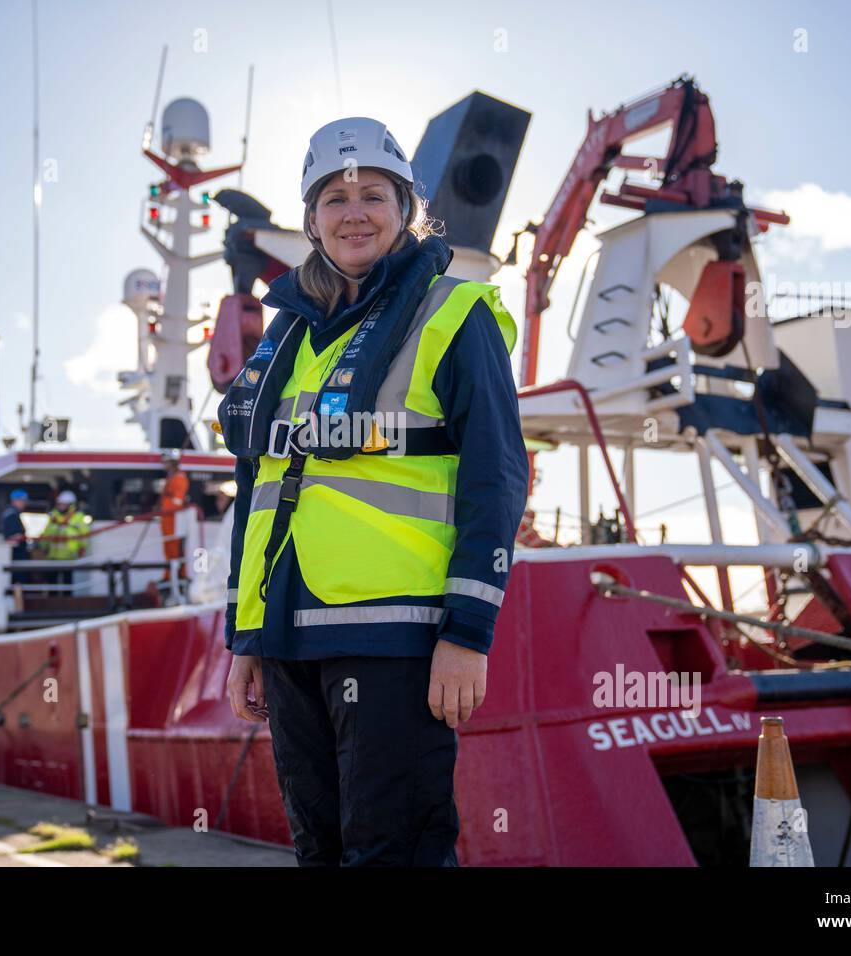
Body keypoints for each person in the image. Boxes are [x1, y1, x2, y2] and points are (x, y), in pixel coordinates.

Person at [216, 116, 527, 866]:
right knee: (318, 851)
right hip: (289, 638)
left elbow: (497, 477)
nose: (354, 211)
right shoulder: (285, 338)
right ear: (311, 220)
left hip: (392, 639)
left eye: (375, 195)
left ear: (407, 208)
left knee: (394, 852)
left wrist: (466, 634)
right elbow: (260, 488)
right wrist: (245, 638)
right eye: (335, 197)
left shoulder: (456, 314)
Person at [40, 490, 89, 594]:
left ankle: (67, 603)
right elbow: (46, 533)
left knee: (68, 584)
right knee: (52, 584)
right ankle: (52, 604)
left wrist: (83, 548)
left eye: (63, 504)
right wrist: (44, 547)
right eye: (59, 504)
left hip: (69, 555)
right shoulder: (53, 516)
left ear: (70, 505)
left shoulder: (78, 517)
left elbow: (84, 535)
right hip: (53, 555)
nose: (60, 506)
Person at [159, 450, 191, 587]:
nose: (164, 464)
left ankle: (178, 575)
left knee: (174, 549)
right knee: (168, 548)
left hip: (173, 519)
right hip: (167, 519)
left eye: (166, 462)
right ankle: (169, 575)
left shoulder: (179, 478)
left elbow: (177, 501)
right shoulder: (171, 478)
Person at [1, 489, 31, 583]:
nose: (25, 503)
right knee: (19, 579)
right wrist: (24, 537)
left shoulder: (12, 513)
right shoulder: (11, 515)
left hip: (16, 554)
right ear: (16, 501)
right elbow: (12, 536)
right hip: (16, 555)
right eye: (23, 501)